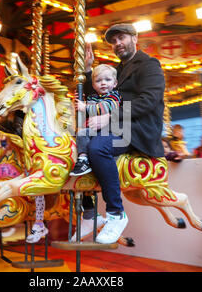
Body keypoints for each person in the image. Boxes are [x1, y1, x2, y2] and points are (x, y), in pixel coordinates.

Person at [75, 23, 166, 244]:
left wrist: (109, 118)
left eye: (121, 38)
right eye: (114, 41)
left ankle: (116, 213)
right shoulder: (119, 69)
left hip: (138, 128)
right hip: (118, 126)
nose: (117, 44)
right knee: (77, 147)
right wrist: (88, 70)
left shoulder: (149, 65)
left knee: (97, 148)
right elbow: (99, 95)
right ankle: (89, 212)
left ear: (135, 38)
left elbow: (149, 101)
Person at [70, 64, 122, 177]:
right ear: (93, 85)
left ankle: (83, 159)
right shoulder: (93, 97)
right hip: (94, 129)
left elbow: (106, 107)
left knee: (83, 133)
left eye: (107, 79)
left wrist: (85, 107)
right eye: (99, 81)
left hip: (108, 131)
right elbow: (86, 111)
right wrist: (80, 100)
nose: (103, 83)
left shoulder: (114, 96)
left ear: (115, 83)